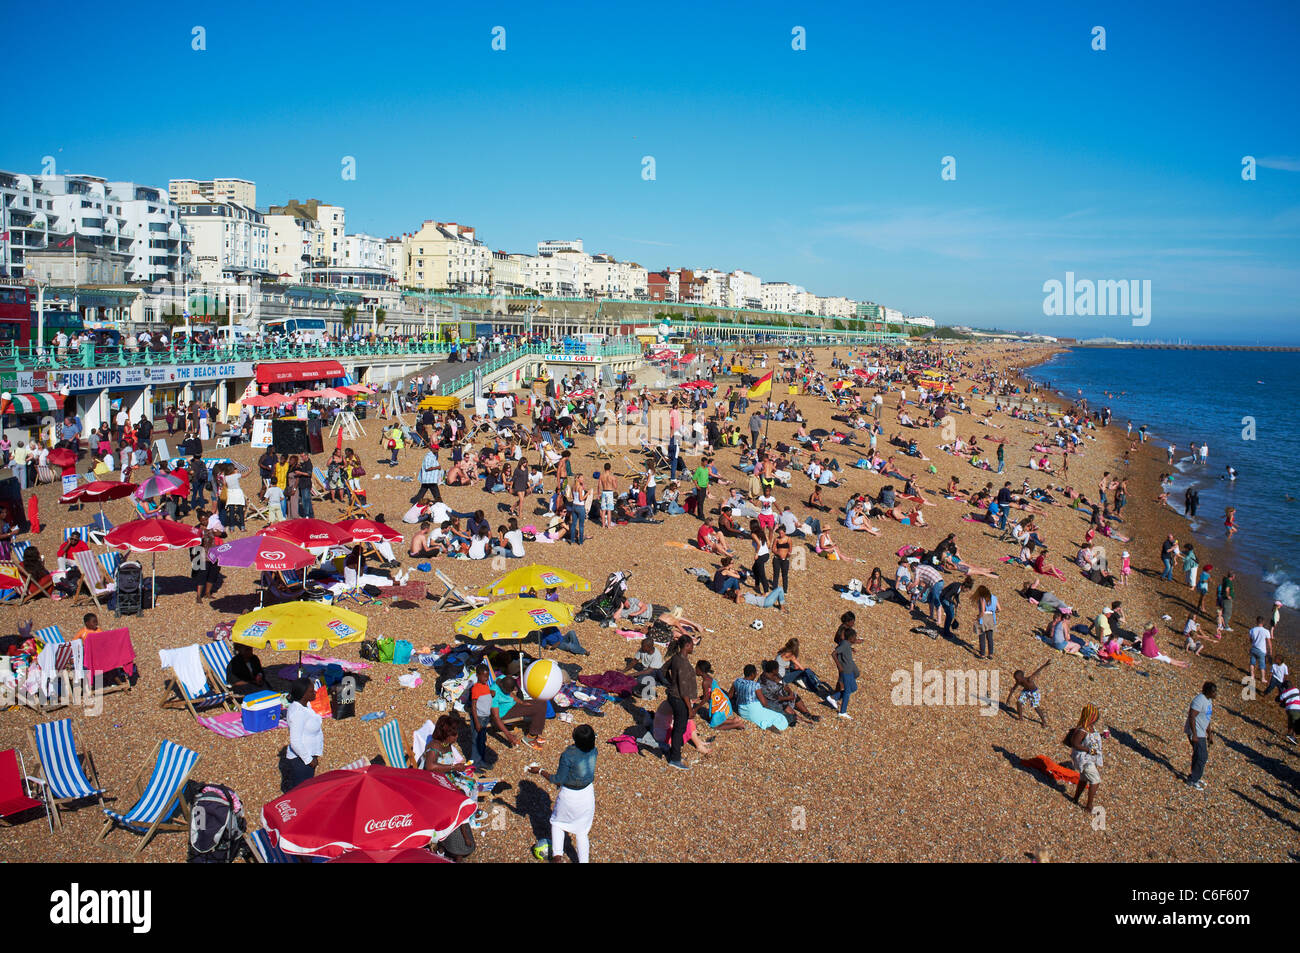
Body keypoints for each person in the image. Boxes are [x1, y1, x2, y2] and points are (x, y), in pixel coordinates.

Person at [545, 724, 597, 863]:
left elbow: (558, 780)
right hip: (587, 794)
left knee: (557, 823)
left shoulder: (568, 754)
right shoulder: (594, 751)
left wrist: (540, 771)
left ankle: (557, 856)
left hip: (569, 794)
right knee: (582, 831)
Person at [663, 635, 698, 770]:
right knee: (679, 729)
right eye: (692, 645)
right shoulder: (682, 663)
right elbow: (684, 690)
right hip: (680, 699)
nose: (693, 647)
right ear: (688, 645)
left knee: (679, 727)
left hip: (673, 695)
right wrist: (689, 708)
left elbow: (663, 670)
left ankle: (674, 752)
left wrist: (671, 683)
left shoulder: (676, 657)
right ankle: (675, 758)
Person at [283, 678, 323, 793]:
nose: (315, 692)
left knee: (307, 788)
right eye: (311, 691)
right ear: (303, 695)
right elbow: (295, 741)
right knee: (302, 791)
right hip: (301, 760)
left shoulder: (305, 706)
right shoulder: (298, 713)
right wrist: (309, 760)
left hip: (307, 756)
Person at [1066, 704, 1104, 812]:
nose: (1097, 719)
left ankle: (1075, 799)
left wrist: (1101, 736)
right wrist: (1089, 750)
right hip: (1084, 759)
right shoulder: (1082, 730)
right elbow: (1075, 743)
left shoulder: (1090, 728)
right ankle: (1089, 806)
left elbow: (1091, 738)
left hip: (1090, 758)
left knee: (1083, 778)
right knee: (1095, 780)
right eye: (1095, 717)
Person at [732, 664, 788, 731]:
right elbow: (764, 703)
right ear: (752, 674)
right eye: (755, 673)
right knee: (779, 718)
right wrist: (768, 708)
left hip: (741, 711)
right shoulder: (755, 685)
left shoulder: (737, 681)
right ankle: (768, 725)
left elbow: (730, 696)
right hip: (753, 710)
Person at [1184, 682, 1216, 790]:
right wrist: (1194, 735)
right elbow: (1192, 717)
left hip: (1202, 732)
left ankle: (1194, 776)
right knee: (1202, 756)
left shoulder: (1209, 701)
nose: (1215, 693)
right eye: (1213, 691)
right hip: (1196, 732)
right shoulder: (1199, 700)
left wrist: (1210, 734)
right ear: (1207, 691)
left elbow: (1207, 718)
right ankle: (1193, 779)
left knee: (1198, 755)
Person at [825, 624, 860, 719]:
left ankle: (833, 697)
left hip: (849, 671)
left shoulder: (847, 644)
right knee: (847, 692)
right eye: (854, 637)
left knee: (854, 688)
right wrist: (839, 666)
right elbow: (834, 653)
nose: (855, 639)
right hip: (846, 671)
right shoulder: (844, 644)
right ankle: (842, 712)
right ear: (850, 638)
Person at [1006, 661, 1050, 726]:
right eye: (1015, 679)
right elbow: (1013, 689)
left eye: (1017, 679)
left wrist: (1045, 665)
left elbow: (1037, 672)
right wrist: (1008, 699)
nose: (1016, 681)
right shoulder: (1019, 682)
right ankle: (1020, 718)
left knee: (1036, 707)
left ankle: (1044, 721)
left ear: (1021, 677)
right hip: (1026, 691)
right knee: (1019, 702)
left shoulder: (1029, 679)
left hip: (1034, 693)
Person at [1248, 616, 1272, 687]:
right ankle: (1262, 678)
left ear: (1256, 621)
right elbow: (1269, 642)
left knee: (1252, 662)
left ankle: (1252, 675)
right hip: (1261, 650)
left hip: (1254, 648)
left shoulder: (1252, 630)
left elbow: (1250, 639)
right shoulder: (1266, 631)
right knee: (1262, 665)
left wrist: (1252, 644)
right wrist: (1270, 650)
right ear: (1263, 622)